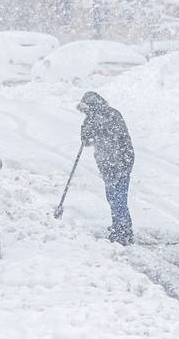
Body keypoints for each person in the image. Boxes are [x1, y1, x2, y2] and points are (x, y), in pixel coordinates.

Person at [77, 91, 135, 245]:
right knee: (113, 197)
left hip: (119, 162)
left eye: (87, 110)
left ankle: (123, 233)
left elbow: (112, 138)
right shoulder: (98, 118)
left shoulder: (107, 117)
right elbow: (87, 141)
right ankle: (119, 226)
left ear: (92, 106)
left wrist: (91, 128)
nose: (85, 113)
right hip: (112, 163)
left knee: (118, 198)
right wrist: (86, 129)